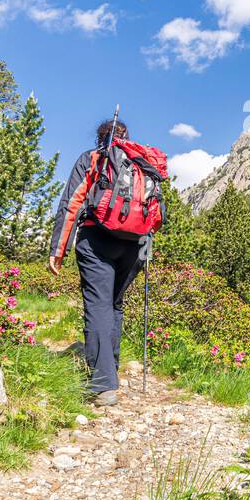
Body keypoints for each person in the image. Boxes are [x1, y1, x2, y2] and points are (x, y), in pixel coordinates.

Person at [47, 118, 146, 407]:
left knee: (98, 305)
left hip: (97, 238)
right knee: (114, 304)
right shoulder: (140, 165)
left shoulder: (92, 159)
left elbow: (71, 203)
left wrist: (58, 249)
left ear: (100, 138)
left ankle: (103, 385)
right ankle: (109, 369)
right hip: (136, 244)